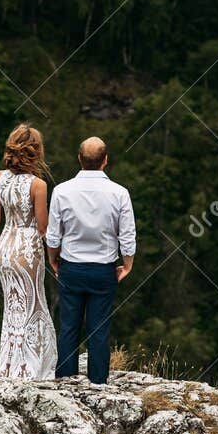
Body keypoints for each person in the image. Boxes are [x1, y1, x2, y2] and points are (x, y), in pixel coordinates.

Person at [45, 136, 136, 384]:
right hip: (104, 269)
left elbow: (53, 235)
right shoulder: (120, 193)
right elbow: (126, 234)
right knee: (99, 330)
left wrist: (54, 260)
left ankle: (65, 380)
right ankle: (98, 383)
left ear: (79, 159)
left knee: (68, 328)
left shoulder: (62, 191)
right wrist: (127, 264)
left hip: (71, 267)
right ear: (105, 160)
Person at [0, 124, 57, 379]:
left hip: (5, 247)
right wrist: (58, 253)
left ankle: (10, 367)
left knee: (12, 308)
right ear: (36, 152)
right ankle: (32, 369)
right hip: (27, 247)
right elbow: (43, 227)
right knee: (33, 306)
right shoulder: (38, 185)